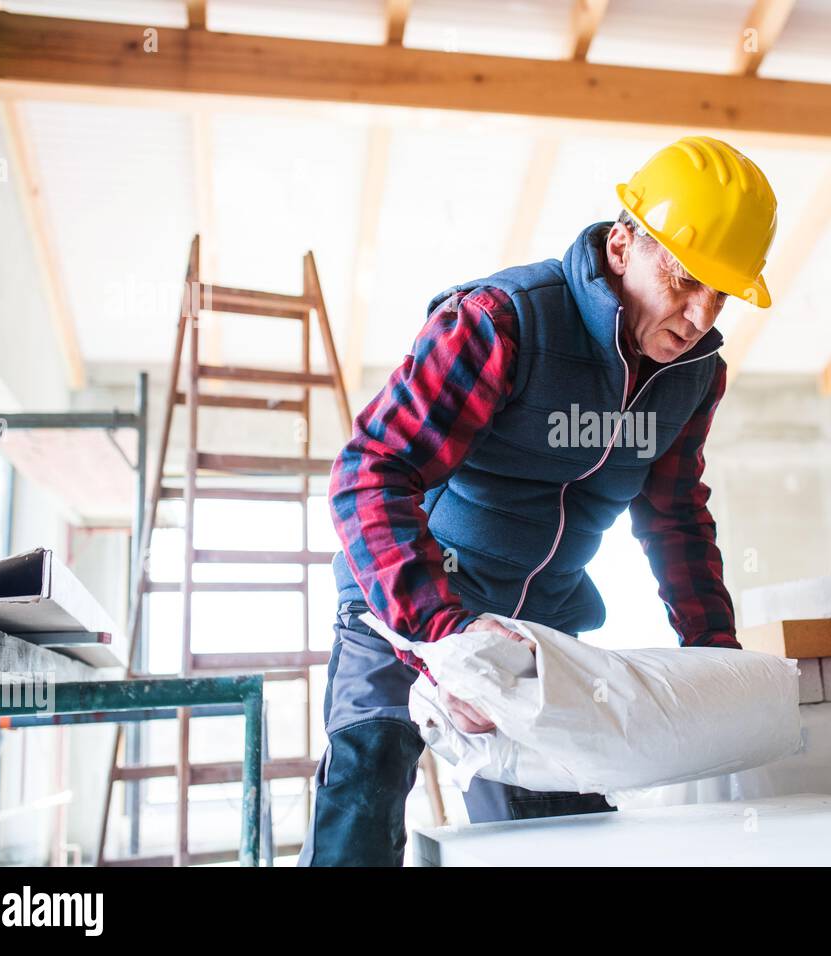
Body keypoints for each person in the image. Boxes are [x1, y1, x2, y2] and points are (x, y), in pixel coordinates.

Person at [299, 135, 778, 866]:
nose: (699, 315)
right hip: (407, 611)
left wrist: (716, 660)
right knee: (362, 801)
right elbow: (371, 472)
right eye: (686, 281)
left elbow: (675, 515)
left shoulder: (692, 380)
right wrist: (452, 644)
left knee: (559, 842)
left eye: (723, 296)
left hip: (539, 638)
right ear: (623, 244)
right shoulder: (502, 322)